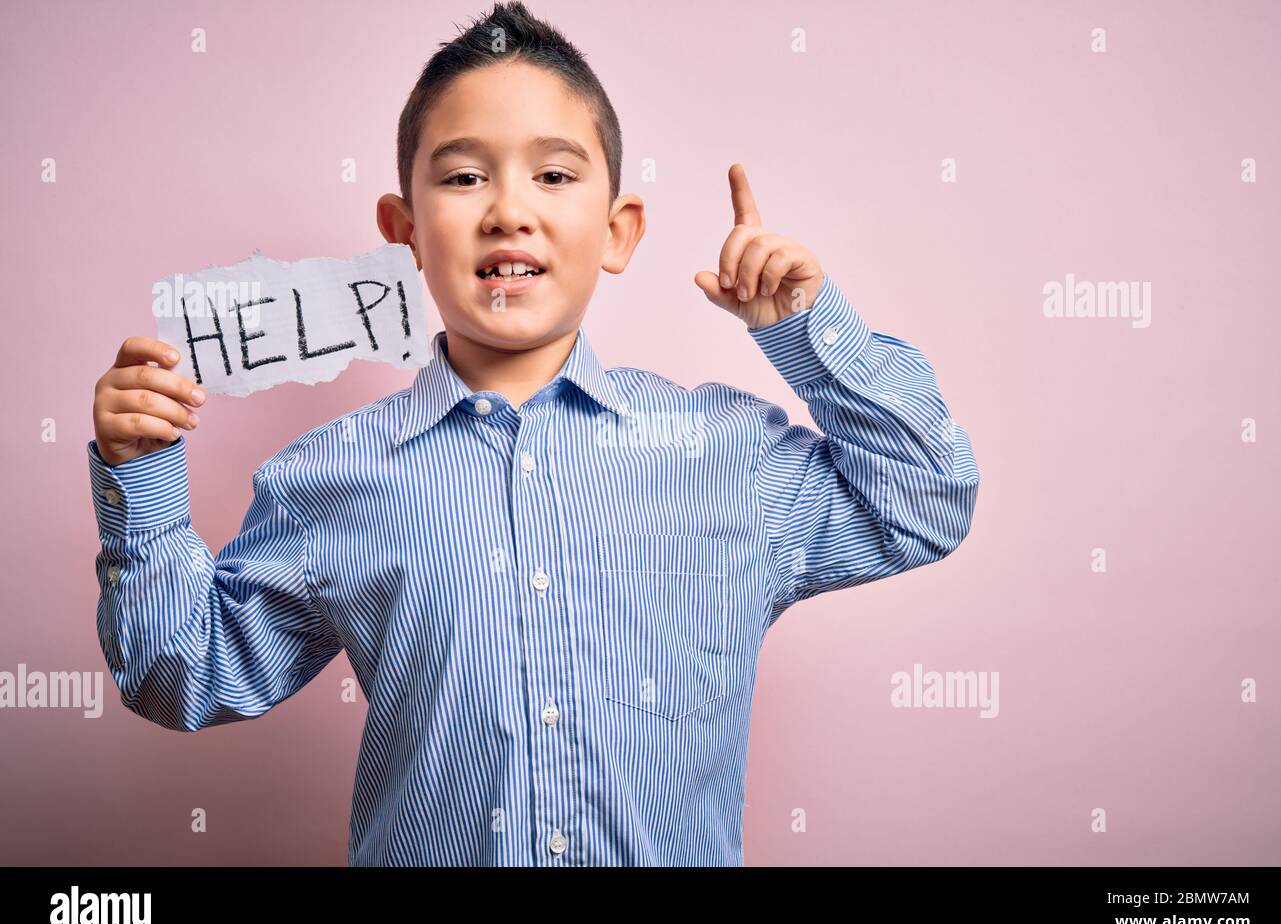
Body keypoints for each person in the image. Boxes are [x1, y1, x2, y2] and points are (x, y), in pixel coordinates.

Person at [87, 1, 979, 866]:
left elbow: (925, 499)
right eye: (465, 176)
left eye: (553, 175)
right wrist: (145, 479)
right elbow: (181, 675)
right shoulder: (335, 476)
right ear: (403, 238)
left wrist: (808, 330)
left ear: (617, 232)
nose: (509, 210)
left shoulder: (726, 455)